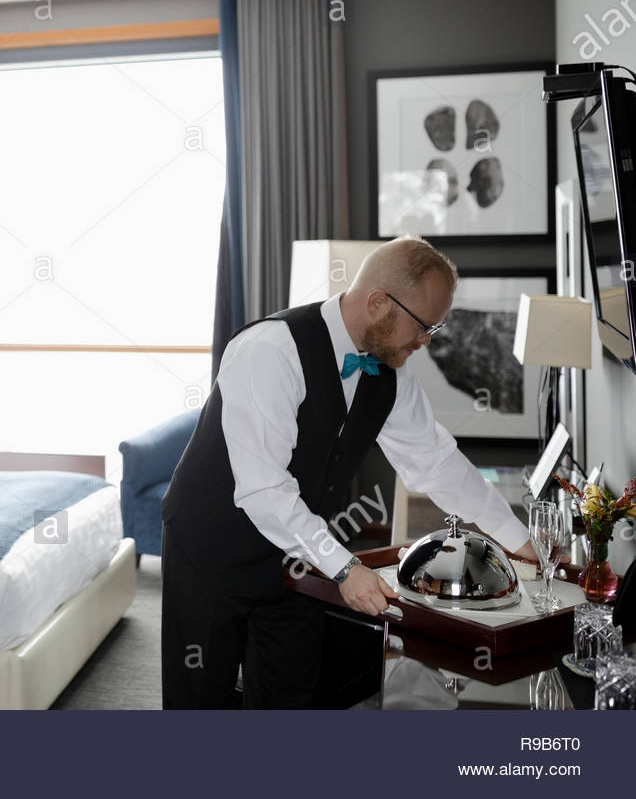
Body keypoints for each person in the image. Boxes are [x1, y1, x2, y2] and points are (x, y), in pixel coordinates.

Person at [160, 236, 532, 709]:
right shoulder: (270, 350)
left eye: (434, 329)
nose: (426, 342)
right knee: (199, 703)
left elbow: (436, 462)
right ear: (378, 302)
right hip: (212, 550)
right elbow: (264, 490)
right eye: (423, 327)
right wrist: (345, 566)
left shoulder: (390, 375)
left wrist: (516, 540)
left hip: (297, 562)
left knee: (291, 701)